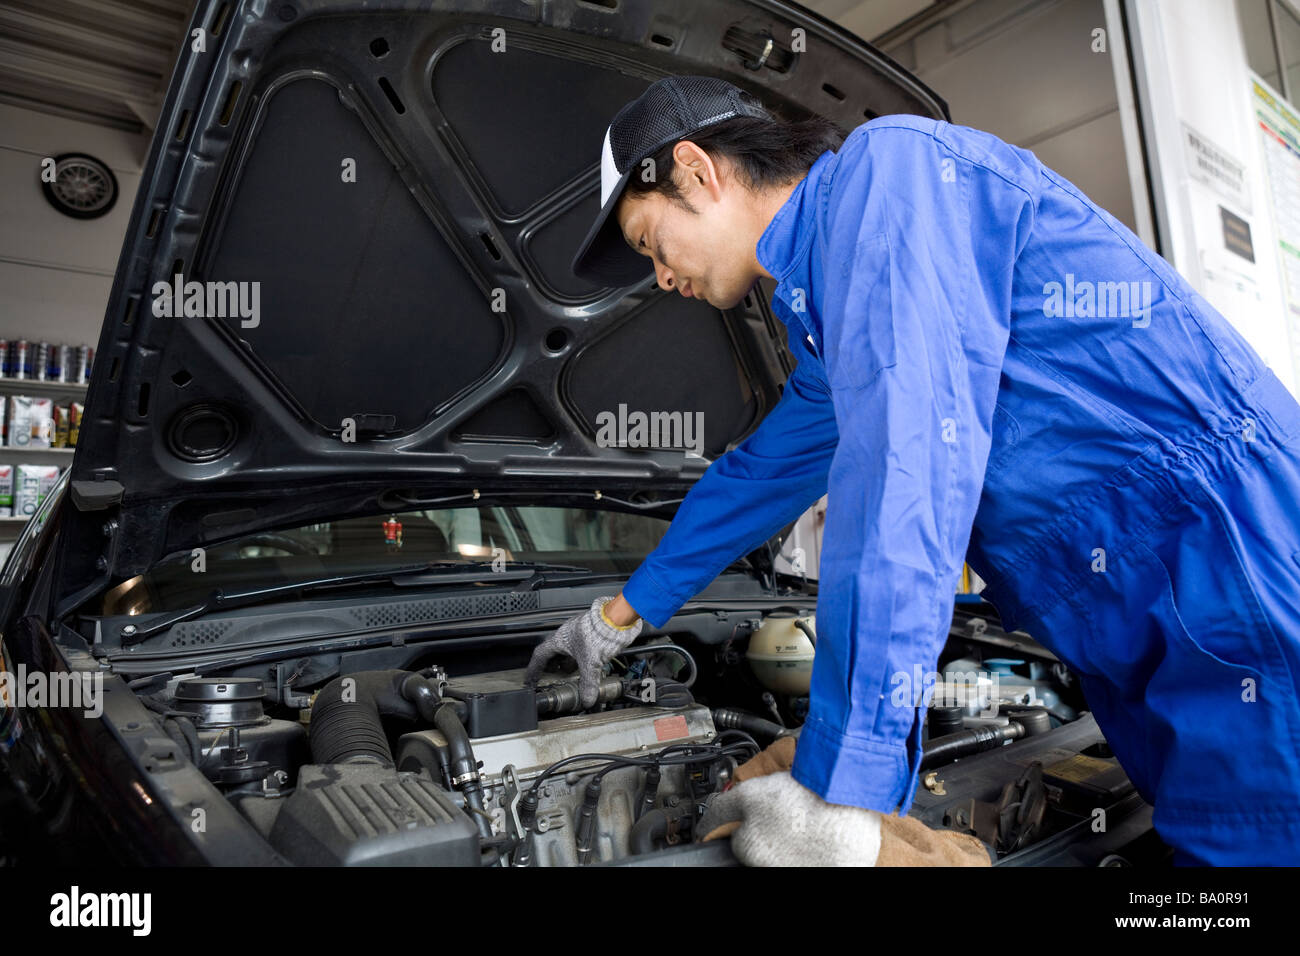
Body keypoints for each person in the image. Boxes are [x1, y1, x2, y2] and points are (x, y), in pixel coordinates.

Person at [525, 75, 1300, 866]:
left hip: (1219, 558)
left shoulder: (890, 175)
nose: (661, 277)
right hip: (1129, 610)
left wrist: (839, 788)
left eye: (650, 244)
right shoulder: (830, 307)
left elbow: (901, 477)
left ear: (696, 171)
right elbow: (758, 476)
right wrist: (618, 616)